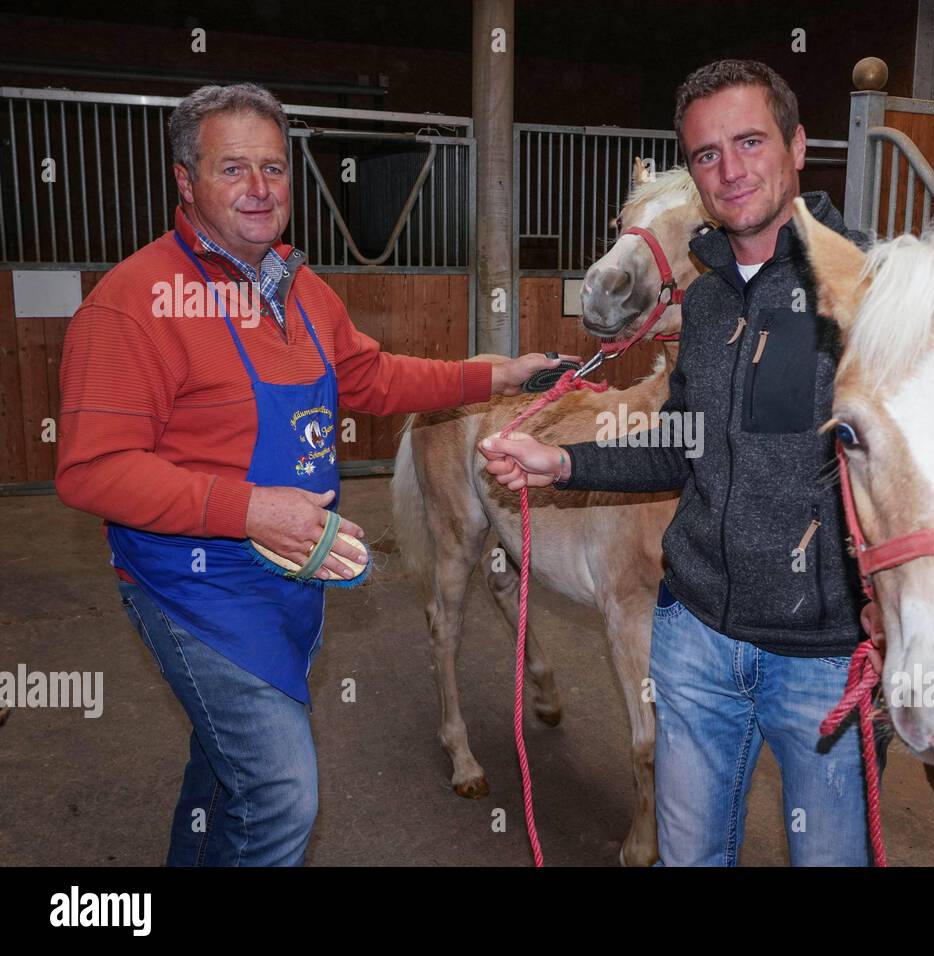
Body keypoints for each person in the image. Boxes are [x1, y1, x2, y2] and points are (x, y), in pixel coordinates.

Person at [55, 83, 570, 867]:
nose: (260, 190)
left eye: (273, 168)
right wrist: (251, 508)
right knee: (281, 791)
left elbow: (376, 379)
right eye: (233, 169)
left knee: (228, 768)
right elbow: (92, 471)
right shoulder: (133, 303)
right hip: (191, 585)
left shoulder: (300, 289)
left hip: (290, 572)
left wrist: (498, 376)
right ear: (184, 181)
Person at [480, 59, 890, 866]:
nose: (730, 170)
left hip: (823, 657)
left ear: (799, 145)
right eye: (707, 154)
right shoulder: (707, 302)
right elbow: (686, 444)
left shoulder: (869, 290)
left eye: (749, 141)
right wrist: (560, 462)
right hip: (696, 638)